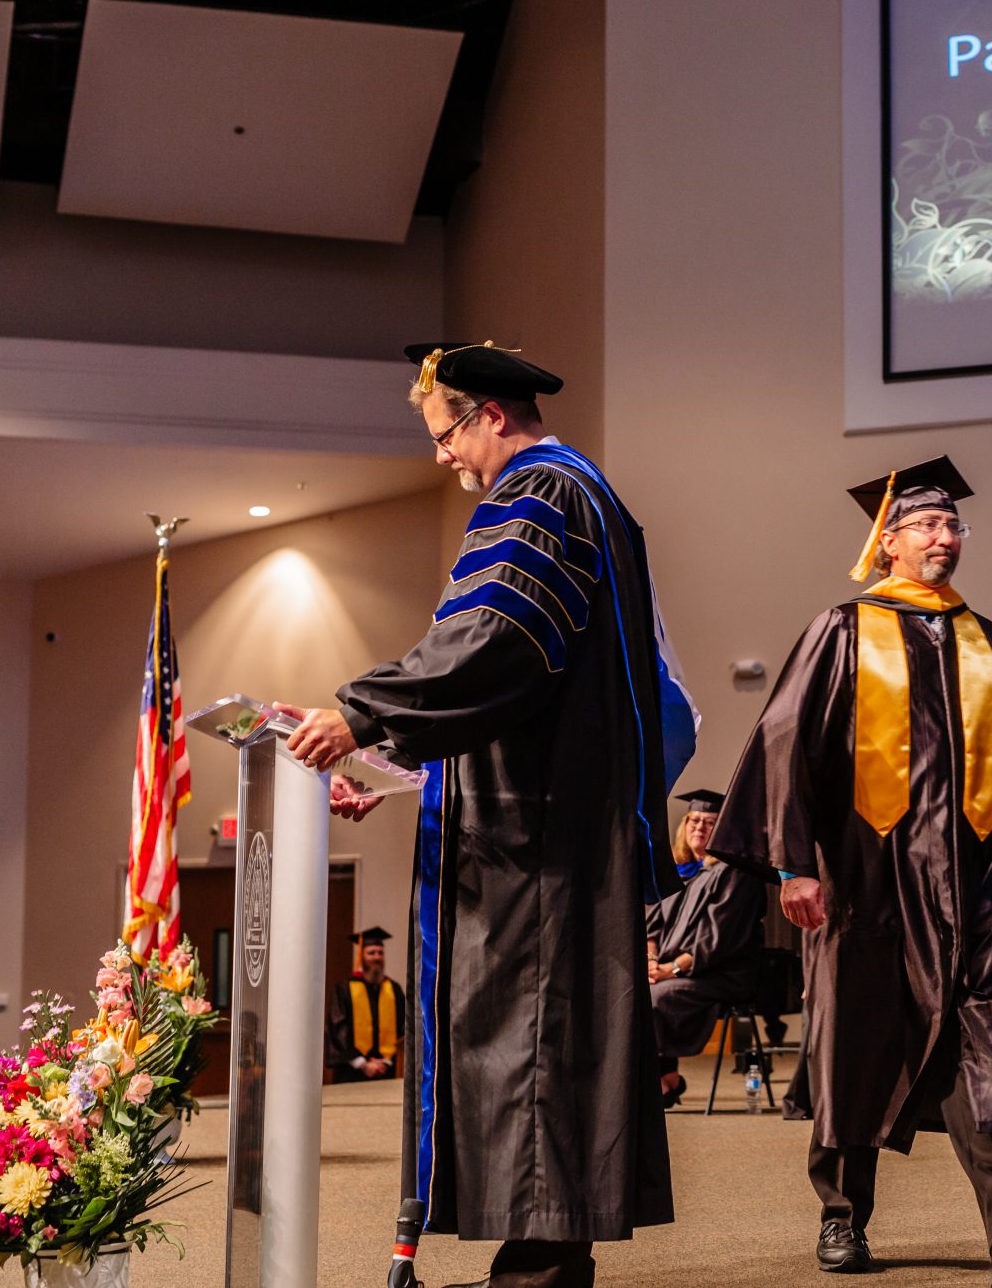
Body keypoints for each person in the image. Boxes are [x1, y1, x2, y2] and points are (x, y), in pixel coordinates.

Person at [278, 341, 698, 1288]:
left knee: (535, 1048)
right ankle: (542, 1265)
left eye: (444, 435)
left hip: (541, 847)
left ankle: (539, 1275)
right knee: (536, 1046)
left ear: (490, 416)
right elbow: (511, 686)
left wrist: (360, 712)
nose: (441, 458)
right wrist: (385, 757)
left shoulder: (542, 495)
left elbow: (499, 643)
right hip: (548, 823)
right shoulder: (582, 496)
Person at [708, 456, 992, 1286]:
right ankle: (842, 1214)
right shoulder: (845, 628)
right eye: (929, 525)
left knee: (983, 1041)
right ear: (888, 541)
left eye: (954, 525)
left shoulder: (988, 639)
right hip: (867, 881)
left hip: (967, 883)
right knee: (856, 1041)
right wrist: (795, 863)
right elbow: (784, 742)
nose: (946, 538)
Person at [648, 788, 765, 1108]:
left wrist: (670, 969)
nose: (699, 827)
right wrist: (651, 960)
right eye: (694, 820)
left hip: (721, 973)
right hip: (674, 970)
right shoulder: (677, 871)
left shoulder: (735, 873)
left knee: (656, 997)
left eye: (710, 822)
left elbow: (719, 939)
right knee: (636, 991)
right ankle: (665, 1079)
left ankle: (661, 1082)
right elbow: (652, 926)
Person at [326, 926, 412, 1083]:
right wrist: (363, 1063)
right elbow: (338, 1029)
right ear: (361, 956)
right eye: (371, 953)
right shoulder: (345, 988)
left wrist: (386, 1061)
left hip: (388, 1071)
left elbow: (404, 1028)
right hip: (351, 1071)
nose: (377, 957)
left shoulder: (393, 988)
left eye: (380, 953)